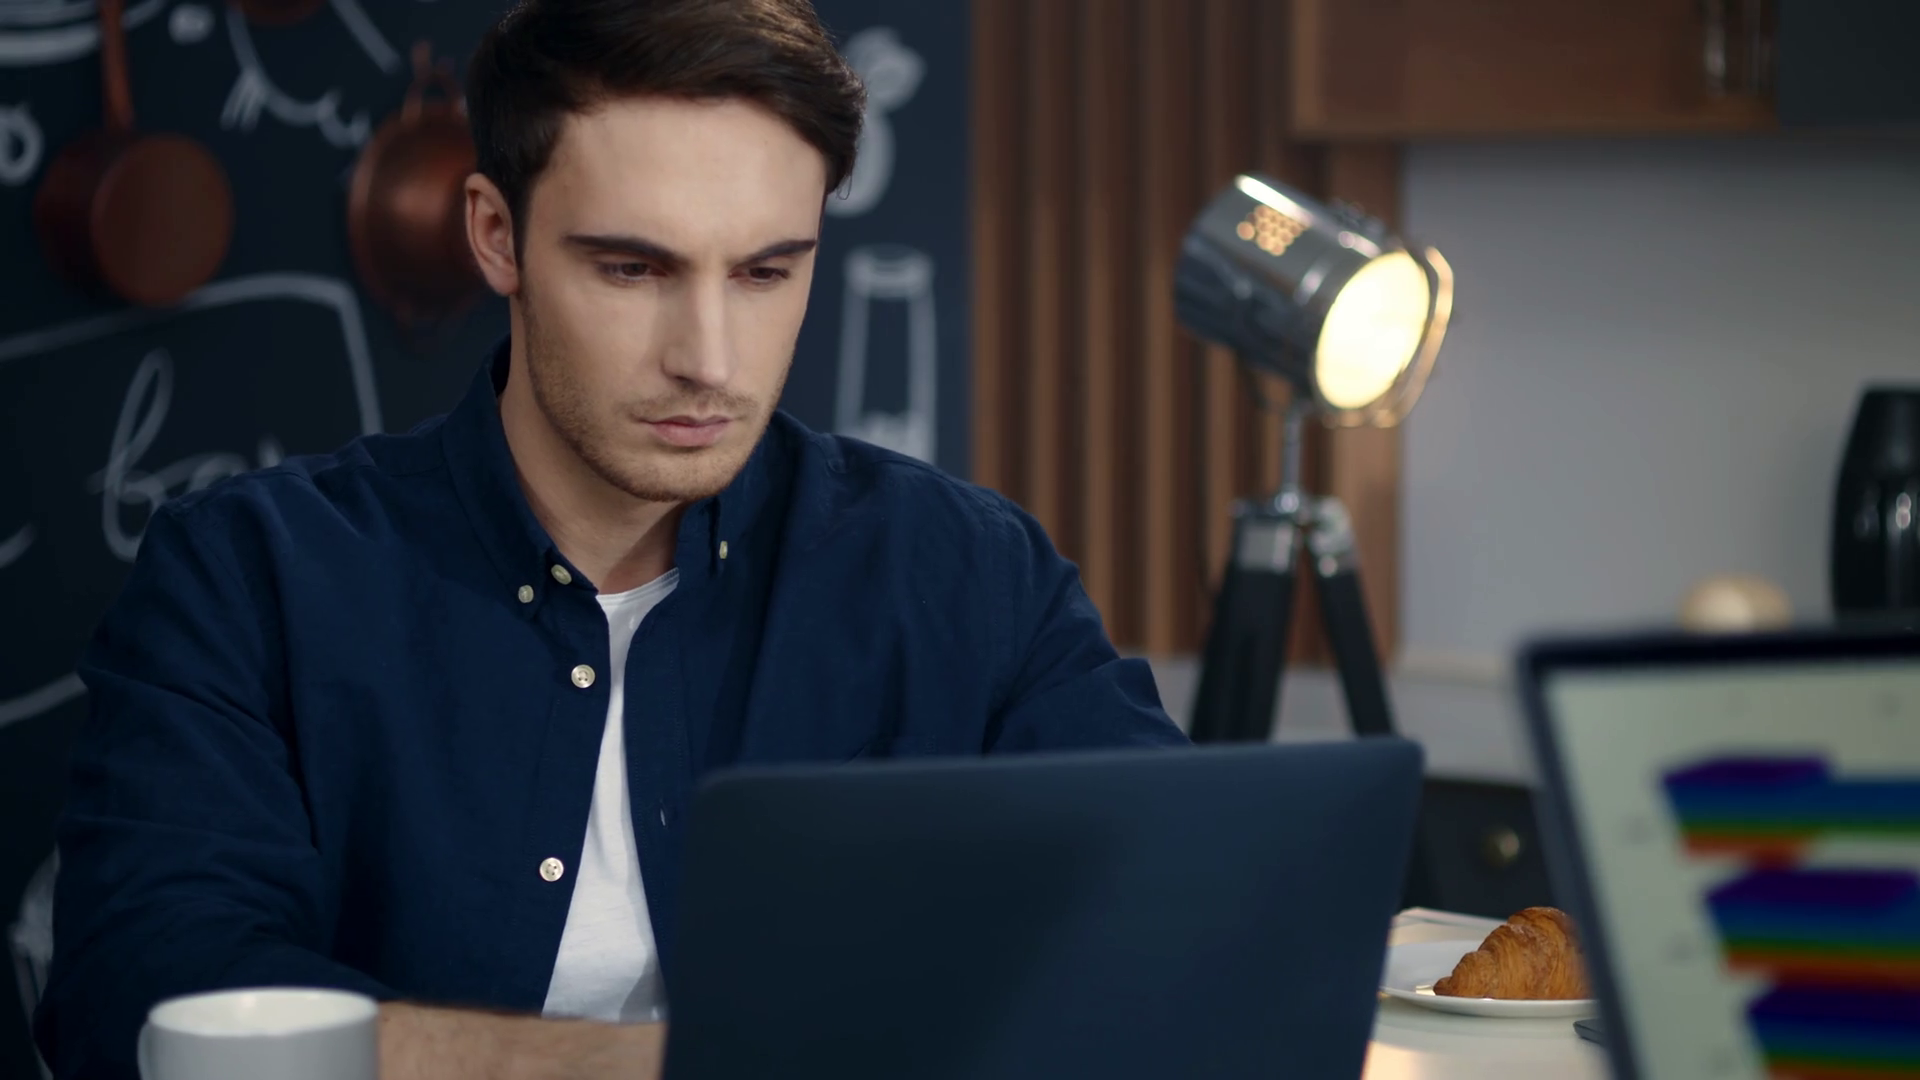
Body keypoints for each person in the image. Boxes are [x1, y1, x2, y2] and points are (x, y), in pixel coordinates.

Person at [33, 1, 1187, 1077]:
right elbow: (145, 1000)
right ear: (497, 236)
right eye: (634, 270)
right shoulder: (248, 577)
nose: (711, 360)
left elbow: (1180, 904)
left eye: (766, 273)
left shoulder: (966, 573)